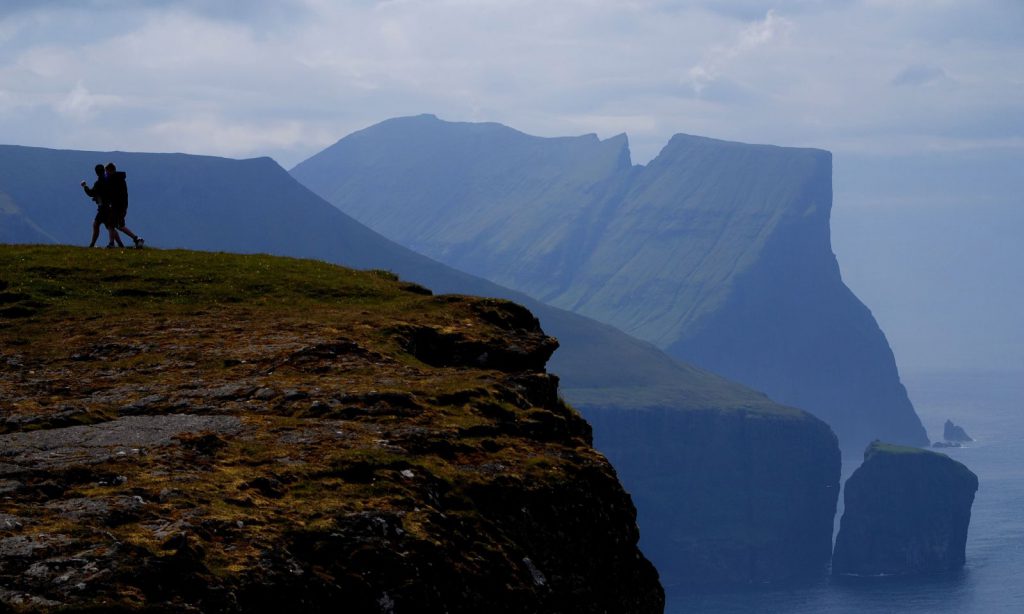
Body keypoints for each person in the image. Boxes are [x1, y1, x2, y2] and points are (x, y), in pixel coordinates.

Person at [81, 164, 123, 248]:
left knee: (98, 224)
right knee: (109, 226)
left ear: (96, 172)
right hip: (109, 206)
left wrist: (85, 186)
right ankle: (120, 244)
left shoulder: (99, 182)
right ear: (104, 170)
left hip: (103, 208)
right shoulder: (108, 180)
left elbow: (91, 193)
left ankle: (92, 244)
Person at [103, 162, 144, 248]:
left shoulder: (113, 180)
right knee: (119, 225)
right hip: (122, 206)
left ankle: (112, 243)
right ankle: (137, 239)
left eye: (106, 171)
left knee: (111, 225)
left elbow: (113, 193)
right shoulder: (120, 179)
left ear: (110, 170)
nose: (106, 174)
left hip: (116, 206)